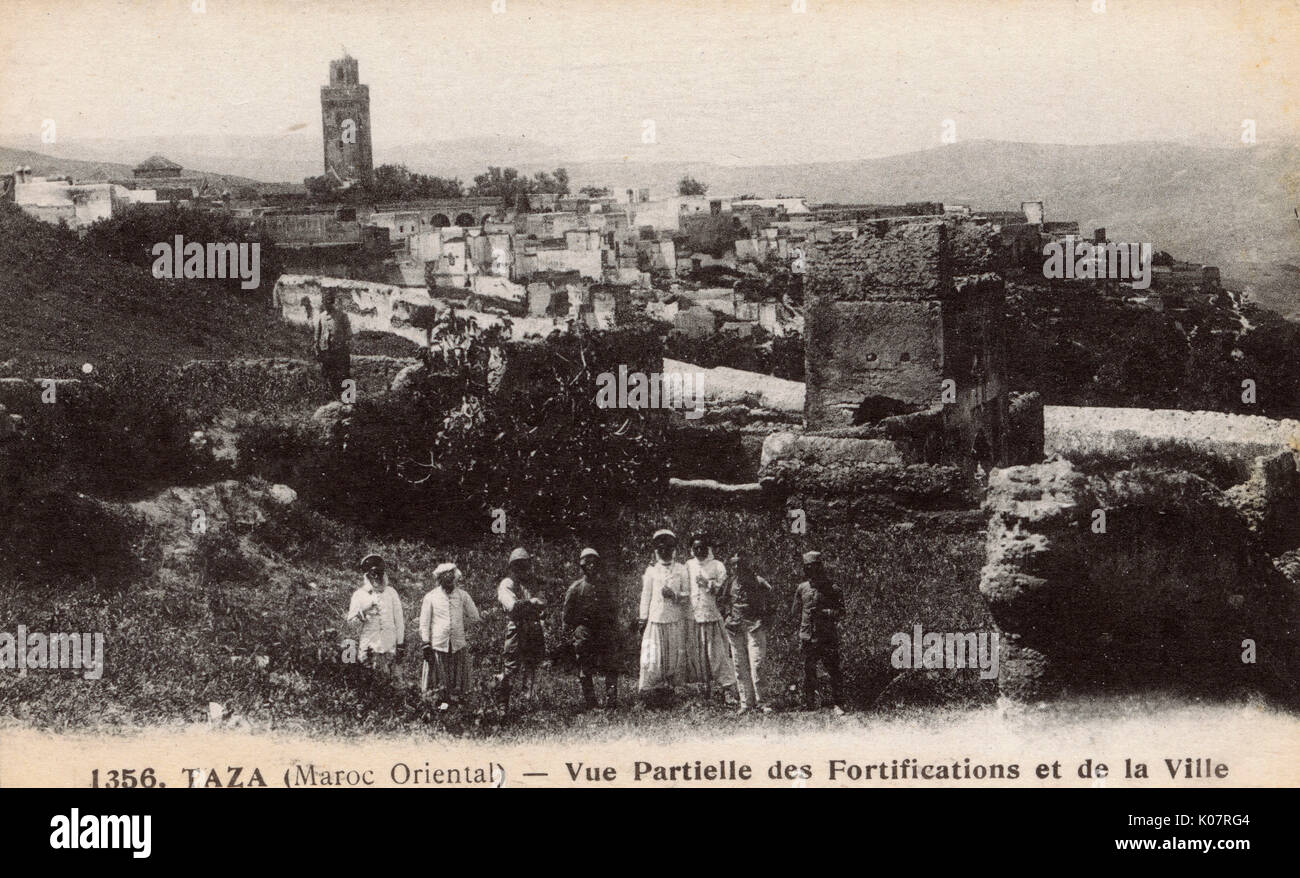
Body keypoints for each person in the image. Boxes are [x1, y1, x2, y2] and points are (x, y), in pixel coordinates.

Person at [562, 548, 619, 709]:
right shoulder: (576, 588)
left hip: (603, 630)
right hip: (584, 630)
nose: (592, 566)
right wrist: (576, 630)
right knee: (585, 667)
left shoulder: (604, 587)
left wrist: (611, 627)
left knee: (611, 664)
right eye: (588, 563)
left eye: (595, 563)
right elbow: (567, 615)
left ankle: (611, 701)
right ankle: (591, 702)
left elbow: (612, 610)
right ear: (583, 566)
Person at [636, 528, 690, 699]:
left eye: (668, 547)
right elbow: (646, 596)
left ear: (673, 549)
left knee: (675, 655)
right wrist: (643, 618)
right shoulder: (651, 571)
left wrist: (674, 595)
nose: (664, 551)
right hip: (656, 619)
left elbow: (687, 595)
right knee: (652, 655)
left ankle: (674, 689)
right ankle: (649, 691)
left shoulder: (681, 569)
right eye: (660, 548)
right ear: (656, 551)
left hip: (675, 618)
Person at [718, 552, 775, 713]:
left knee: (757, 664)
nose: (737, 567)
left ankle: (763, 701)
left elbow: (771, 601)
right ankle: (746, 703)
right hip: (735, 628)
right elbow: (720, 601)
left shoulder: (758, 581)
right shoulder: (729, 582)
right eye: (734, 564)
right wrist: (727, 616)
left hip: (754, 627)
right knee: (739, 665)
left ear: (747, 564)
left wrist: (764, 620)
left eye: (740, 563)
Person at [419, 563, 481, 708]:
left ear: (455, 578)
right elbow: (424, 623)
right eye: (444, 578)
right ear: (439, 579)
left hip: (457, 644)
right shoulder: (431, 597)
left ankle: (457, 707)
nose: (449, 581)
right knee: (438, 679)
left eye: (451, 578)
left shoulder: (462, 595)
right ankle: (436, 706)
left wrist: (459, 625)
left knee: (458, 680)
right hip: (438, 645)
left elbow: (475, 616)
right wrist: (426, 643)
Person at [790, 551, 845, 713]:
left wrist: (825, 612)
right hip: (808, 636)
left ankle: (838, 703)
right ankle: (809, 704)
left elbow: (841, 612)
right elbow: (795, 612)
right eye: (808, 568)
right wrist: (799, 633)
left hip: (827, 637)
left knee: (833, 670)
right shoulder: (802, 588)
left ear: (820, 568)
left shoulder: (833, 588)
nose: (811, 571)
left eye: (814, 567)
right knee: (809, 671)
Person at [685, 533, 736, 701]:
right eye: (695, 548)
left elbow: (723, 590)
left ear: (708, 548)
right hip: (693, 616)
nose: (699, 551)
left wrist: (708, 583)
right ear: (692, 549)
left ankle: (727, 689)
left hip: (712, 615)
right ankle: (703, 690)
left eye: (702, 547)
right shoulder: (688, 565)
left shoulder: (717, 565)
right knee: (696, 655)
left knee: (716, 654)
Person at [497, 547, 547, 713]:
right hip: (517, 629)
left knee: (531, 664)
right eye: (522, 565)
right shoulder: (507, 584)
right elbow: (513, 607)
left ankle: (528, 702)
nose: (526, 569)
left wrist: (533, 603)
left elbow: (542, 602)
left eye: (527, 564)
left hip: (532, 627)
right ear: (514, 567)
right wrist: (531, 603)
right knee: (510, 666)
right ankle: (502, 705)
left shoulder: (532, 583)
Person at [345, 553, 405, 679]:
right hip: (369, 647)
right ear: (367, 576)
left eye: (380, 573)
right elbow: (351, 624)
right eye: (373, 574)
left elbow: (399, 621)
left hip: (390, 647)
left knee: (392, 684)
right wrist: (362, 613)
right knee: (370, 683)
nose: (377, 577)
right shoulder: (359, 595)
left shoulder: (391, 593)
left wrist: (400, 645)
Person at [313, 286, 352, 397]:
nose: (326, 304)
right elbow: (317, 334)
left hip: (340, 351)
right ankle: (331, 398)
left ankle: (348, 398)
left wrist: (345, 346)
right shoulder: (321, 317)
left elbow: (349, 334)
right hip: (326, 351)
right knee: (328, 374)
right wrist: (317, 349)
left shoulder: (341, 315)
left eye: (329, 302)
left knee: (344, 374)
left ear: (333, 302)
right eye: (324, 302)